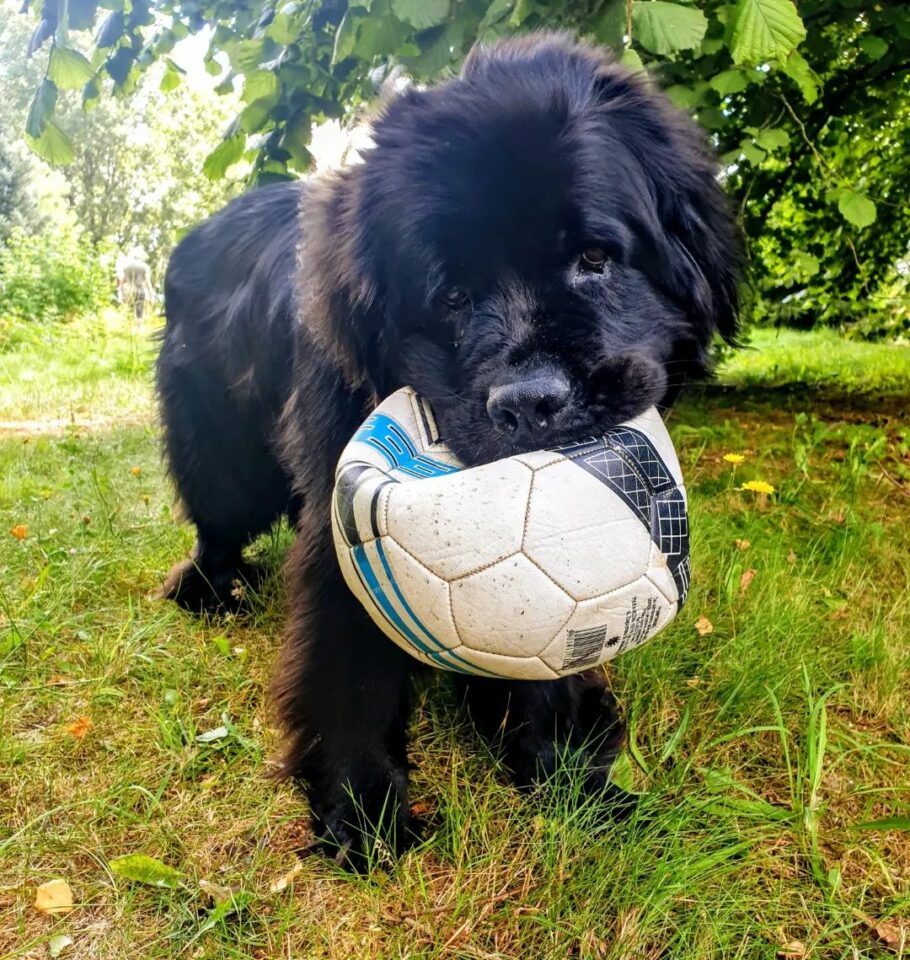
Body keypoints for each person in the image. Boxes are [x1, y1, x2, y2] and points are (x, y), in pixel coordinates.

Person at [116, 247, 154, 326]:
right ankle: (138, 332)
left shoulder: (126, 267)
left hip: (128, 291)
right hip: (140, 292)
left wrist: (120, 292)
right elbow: (147, 281)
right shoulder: (145, 266)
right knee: (139, 314)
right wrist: (151, 295)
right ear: (141, 257)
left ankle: (128, 332)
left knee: (128, 312)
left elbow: (122, 280)